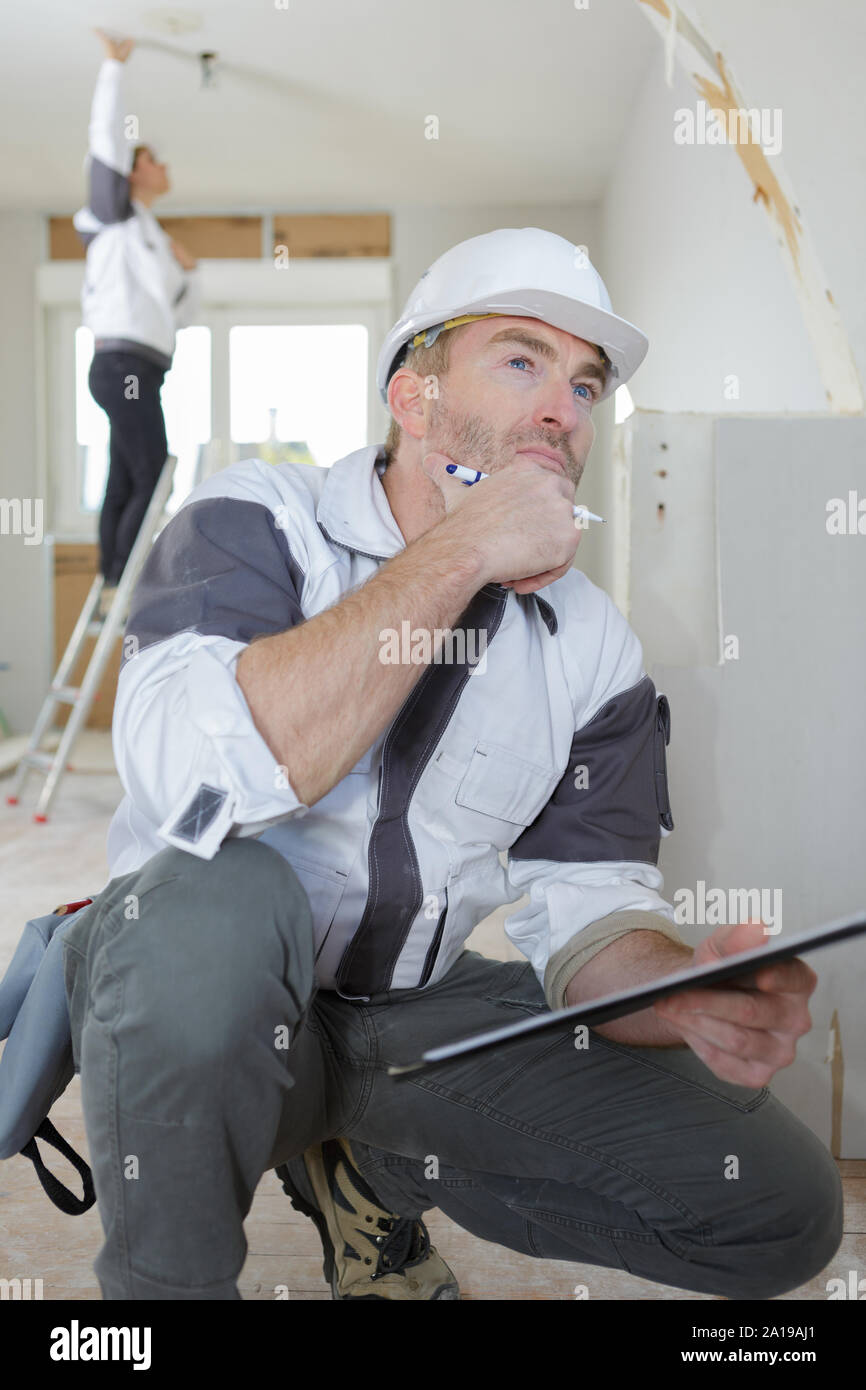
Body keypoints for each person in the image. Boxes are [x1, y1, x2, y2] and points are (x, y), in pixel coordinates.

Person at [61, 228, 842, 1301]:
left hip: (406, 1015)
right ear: (414, 397)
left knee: (777, 1207)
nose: (563, 410)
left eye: (583, 383)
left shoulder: (591, 643)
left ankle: (366, 1168)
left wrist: (681, 991)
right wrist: (462, 547)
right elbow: (203, 774)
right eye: (520, 359)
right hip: (201, 998)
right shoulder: (253, 521)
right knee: (216, 907)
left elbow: (589, 914)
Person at [73, 30, 200, 615]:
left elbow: (182, 319)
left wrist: (186, 273)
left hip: (146, 367)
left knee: (128, 472)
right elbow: (105, 141)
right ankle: (122, 584)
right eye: (152, 159)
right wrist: (111, 68)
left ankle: (111, 580)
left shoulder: (152, 238)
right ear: (130, 173)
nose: (163, 165)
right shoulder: (117, 218)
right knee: (152, 466)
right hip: (120, 362)